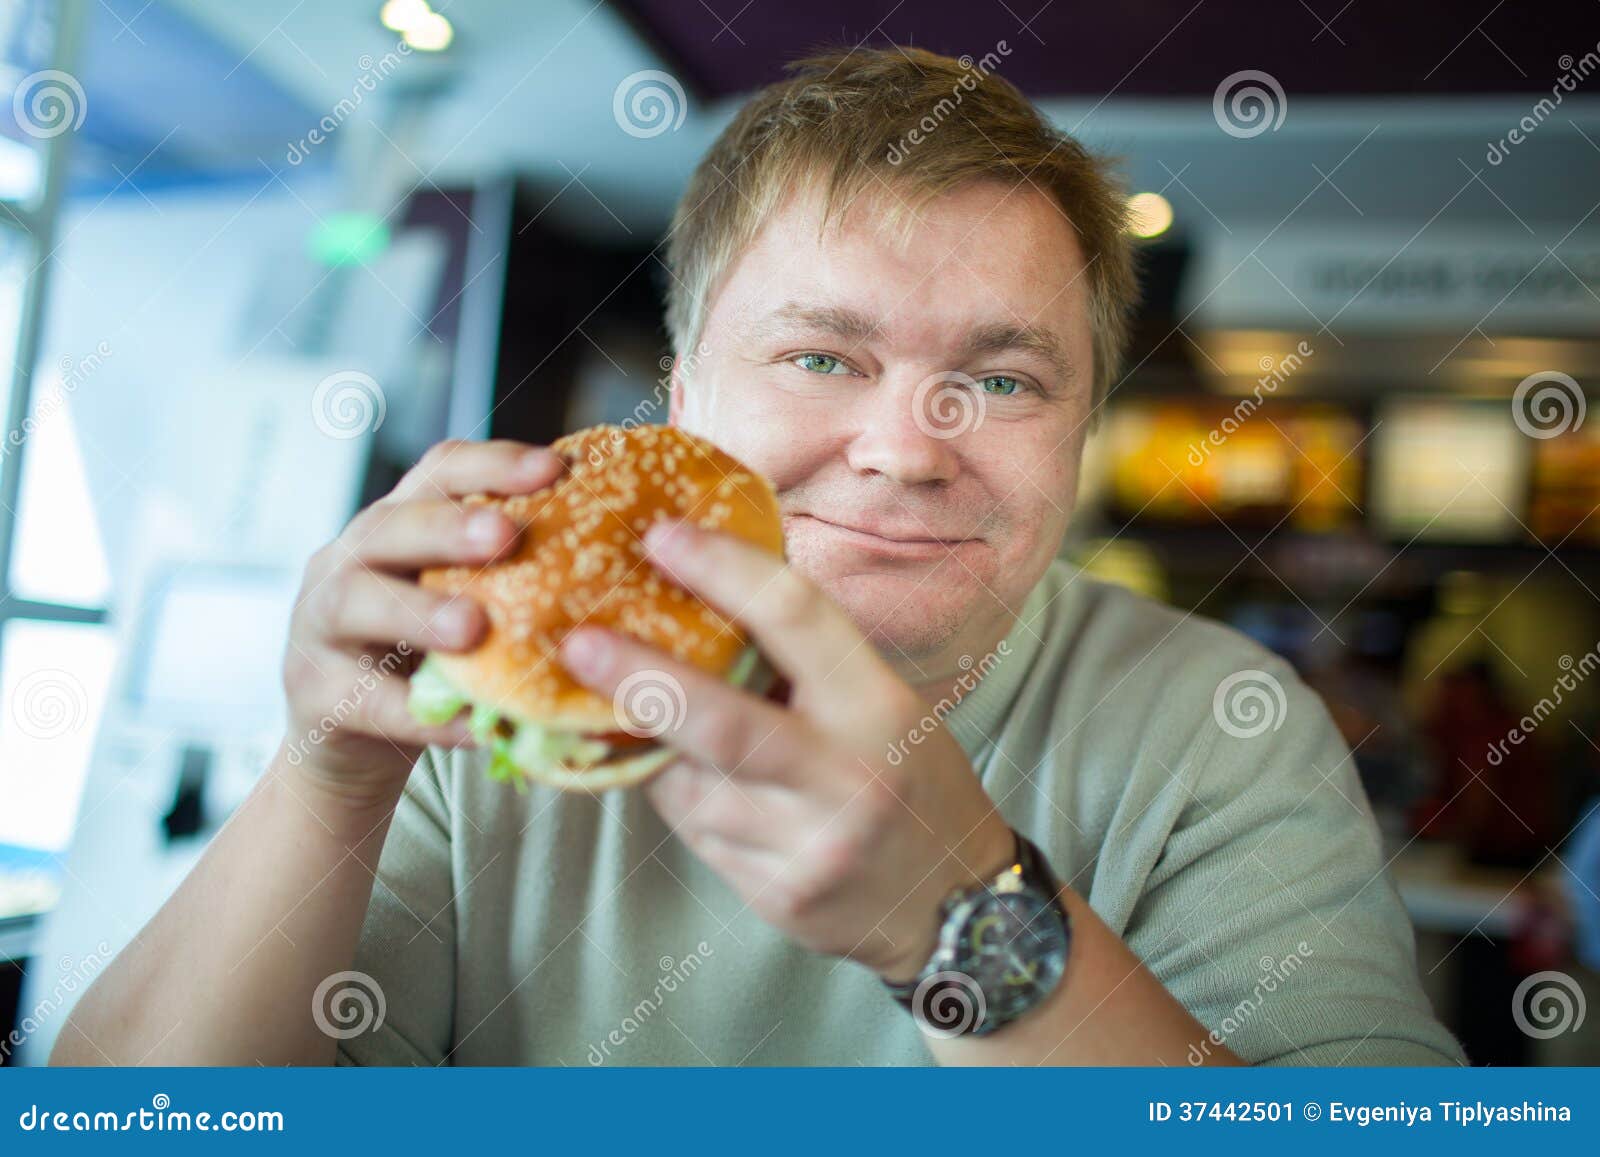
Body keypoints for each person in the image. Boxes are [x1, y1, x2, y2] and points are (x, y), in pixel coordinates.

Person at [53, 47, 1464, 1067]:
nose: (909, 448)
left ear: (1081, 429)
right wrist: (327, 770)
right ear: (677, 405)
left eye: (1011, 381)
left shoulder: (1223, 730)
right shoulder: (502, 706)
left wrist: (966, 925)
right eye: (818, 354)